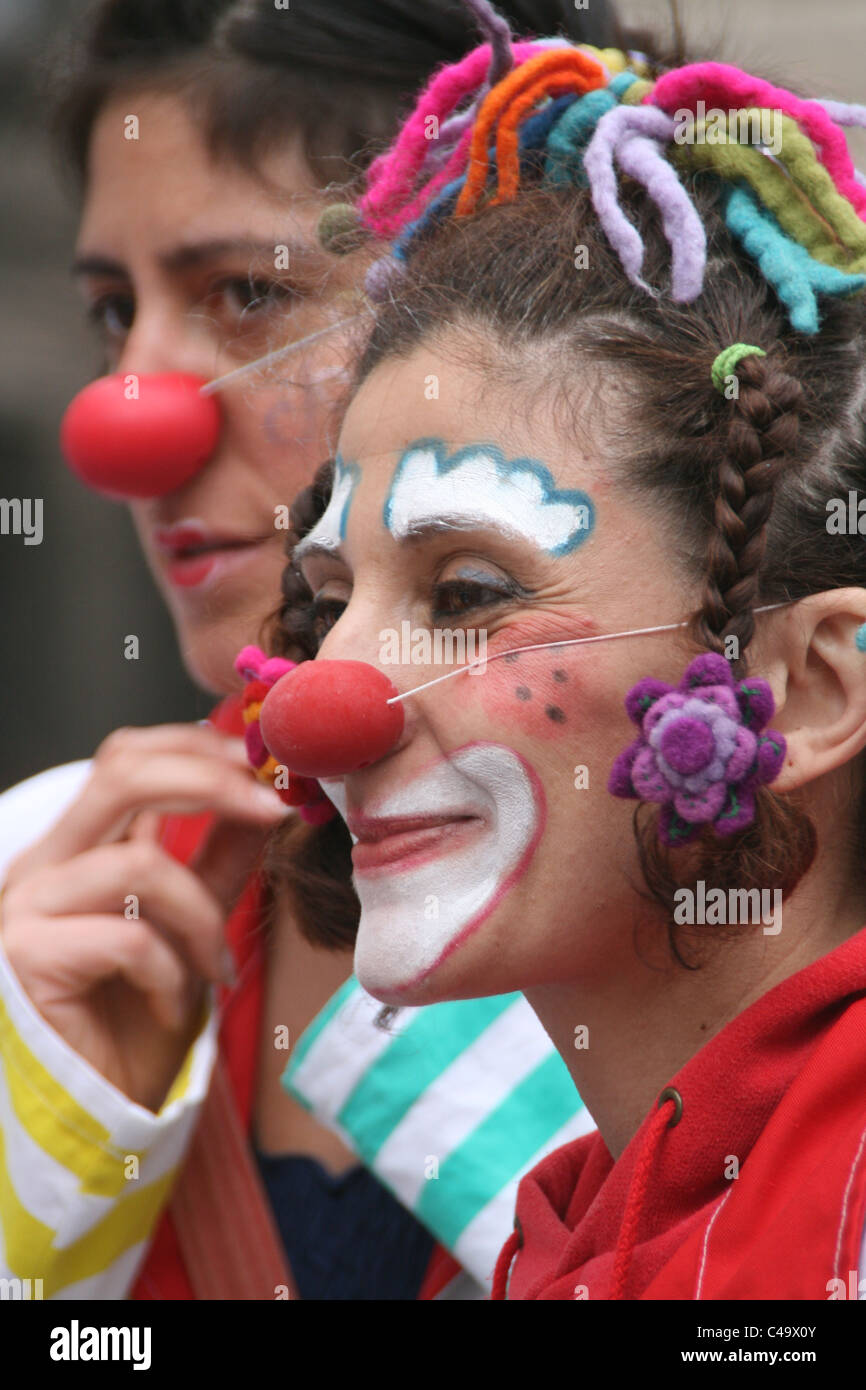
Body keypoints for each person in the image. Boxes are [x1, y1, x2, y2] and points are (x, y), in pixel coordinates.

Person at [0, 0, 623, 1299]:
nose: (131, 416)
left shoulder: (779, 905)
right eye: (115, 312)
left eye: (245, 294)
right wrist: (41, 1163)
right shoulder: (40, 876)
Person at [255, 8, 866, 1299]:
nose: (325, 698)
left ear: (808, 685)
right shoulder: (577, 1234)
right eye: (326, 598)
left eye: (466, 588)